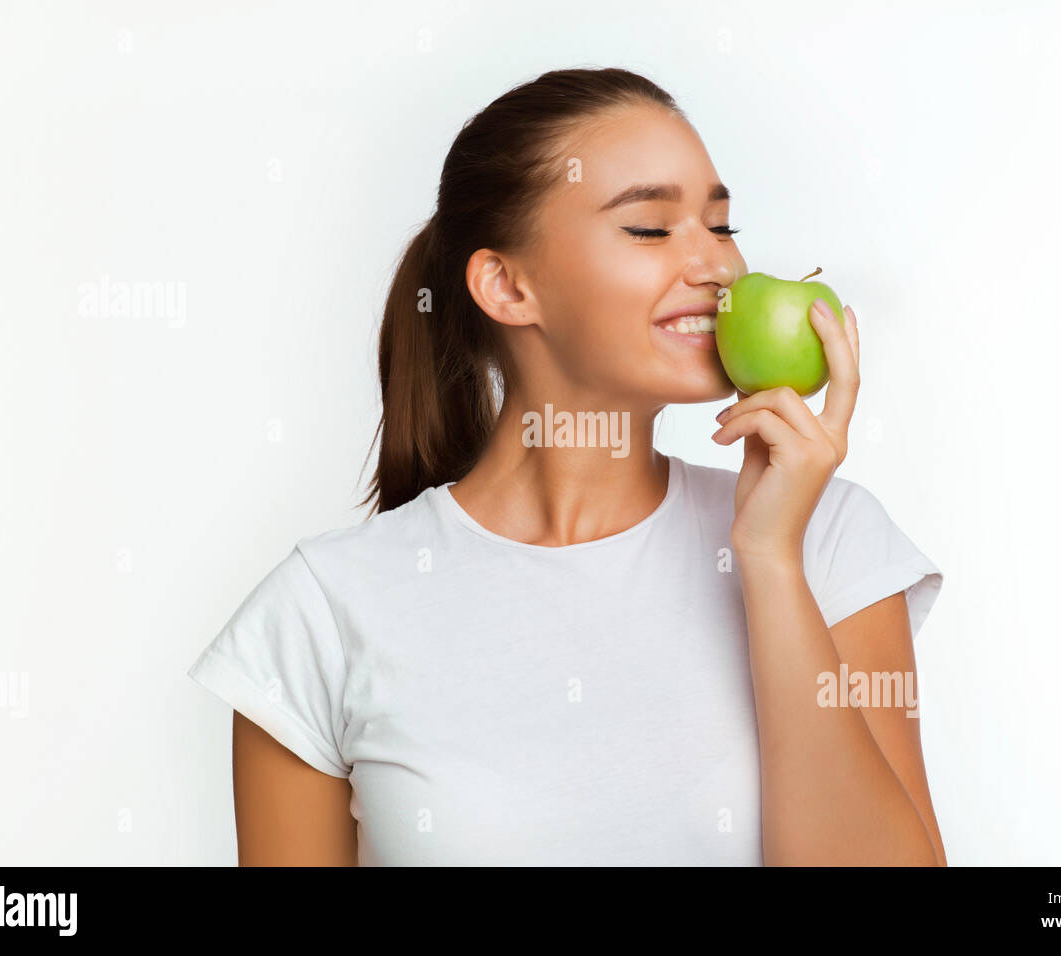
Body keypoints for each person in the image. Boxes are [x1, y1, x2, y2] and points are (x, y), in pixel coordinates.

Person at [187, 66, 946, 866]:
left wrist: (769, 561)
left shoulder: (829, 543)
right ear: (509, 286)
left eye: (721, 227)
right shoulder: (321, 611)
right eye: (652, 229)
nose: (720, 269)